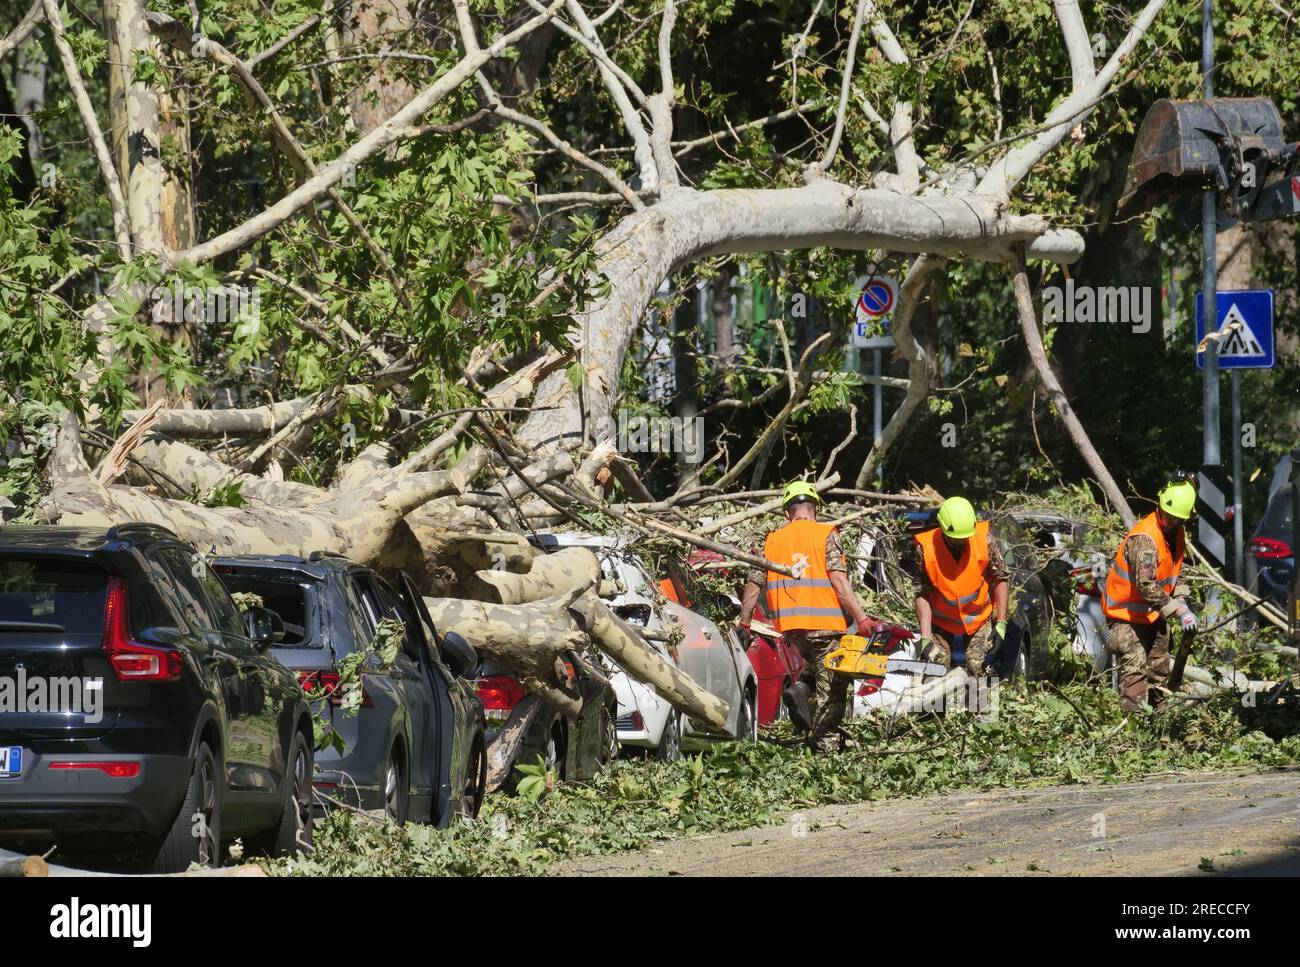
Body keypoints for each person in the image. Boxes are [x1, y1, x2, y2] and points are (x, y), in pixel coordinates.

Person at [738, 481, 878, 752]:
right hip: (824, 625)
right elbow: (838, 580)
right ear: (815, 508)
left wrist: (744, 622)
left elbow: (754, 584)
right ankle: (826, 747)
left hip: (791, 630)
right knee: (834, 690)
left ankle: (801, 688)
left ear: (787, 512)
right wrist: (861, 618)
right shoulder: (826, 533)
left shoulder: (772, 540)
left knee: (817, 666)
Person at [1101, 478, 1197, 711]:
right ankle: (1132, 729)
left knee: (1159, 671)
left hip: (1154, 616)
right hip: (1125, 617)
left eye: (1177, 520)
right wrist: (1178, 609)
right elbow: (1146, 586)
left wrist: (1182, 598)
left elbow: (1178, 571)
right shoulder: (1146, 539)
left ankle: (1159, 722)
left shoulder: (1176, 534)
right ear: (1160, 508)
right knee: (1136, 668)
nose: (1171, 522)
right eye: (1169, 517)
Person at [912, 496, 1010, 681]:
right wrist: (925, 637)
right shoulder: (925, 549)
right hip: (940, 621)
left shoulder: (984, 539)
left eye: (965, 538)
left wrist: (1001, 622)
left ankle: (978, 709)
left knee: (978, 666)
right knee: (934, 666)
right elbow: (921, 592)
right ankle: (933, 710)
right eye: (955, 539)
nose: (961, 542)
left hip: (978, 617)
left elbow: (1001, 577)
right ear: (942, 528)